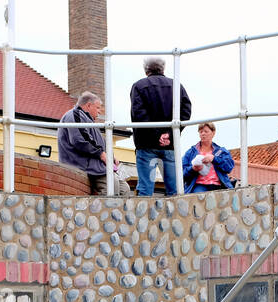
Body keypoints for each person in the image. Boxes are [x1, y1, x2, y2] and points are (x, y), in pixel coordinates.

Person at [129, 57, 191, 197]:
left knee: (145, 189)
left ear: (146, 70)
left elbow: (139, 114)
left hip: (146, 144)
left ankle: (144, 218)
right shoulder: (176, 86)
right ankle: (174, 218)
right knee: (175, 190)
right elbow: (186, 111)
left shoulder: (139, 86)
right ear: (163, 69)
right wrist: (169, 133)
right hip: (170, 144)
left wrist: (157, 135)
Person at [57, 92, 127, 196]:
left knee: (124, 189)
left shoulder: (87, 120)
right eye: (98, 108)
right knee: (112, 185)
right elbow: (80, 140)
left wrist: (111, 157)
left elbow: (97, 142)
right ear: (88, 105)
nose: (99, 112)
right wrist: (101, 154)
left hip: (96, 165)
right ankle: (106, 210)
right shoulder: (75, 115)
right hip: (82, 164)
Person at [182, 123, 235, 193]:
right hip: (199, 186)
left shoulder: (221, 151)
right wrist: (193, 169)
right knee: (199, 196)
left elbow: (229, 168)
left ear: (213, 133)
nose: (203, 134)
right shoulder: (190, 152)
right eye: (201, 132)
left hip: (219, 185)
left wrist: (214, 159)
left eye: (206, 131)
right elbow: (181, 173)